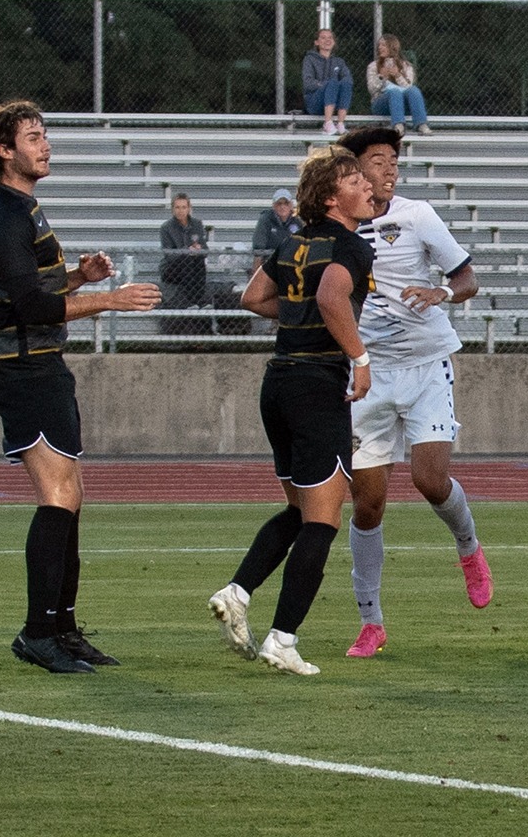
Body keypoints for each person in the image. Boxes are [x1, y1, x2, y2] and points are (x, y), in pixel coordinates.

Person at [0, 100, 162, 673]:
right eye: (32, 137)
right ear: (5, 152)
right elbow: (28, 304)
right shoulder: (5, 215)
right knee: (57, 494)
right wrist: (111, 299)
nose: (45, 144)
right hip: (22, 366)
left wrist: (82, 277)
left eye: (44, 134)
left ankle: (63, 627)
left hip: (42, 362)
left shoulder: (26, 211)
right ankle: (38, 633)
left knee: (71, 494)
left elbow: (30, 286)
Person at [210, 147, 376, 675]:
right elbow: (331, 297)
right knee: (323, 521)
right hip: (315, 385)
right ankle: (282, 639)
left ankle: (238, 591)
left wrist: (299, 312)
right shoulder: (349, 244)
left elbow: (254, 297)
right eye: (355, 178)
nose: (368, 184)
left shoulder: (292, 240)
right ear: (332, 196)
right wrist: (360, 357)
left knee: (300, 512)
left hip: (277, 382)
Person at [334, 126, 490, 659]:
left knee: (429, 479)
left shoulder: (418, 215)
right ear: (354, 173)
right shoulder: (338, 230)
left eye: (393, 160)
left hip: (426, 366)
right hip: (369, 374)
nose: (390, 168)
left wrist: (440, 290)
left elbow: (468, 278)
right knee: (367, 505)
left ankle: (468, 547)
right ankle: (371, 622)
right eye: (377, 161)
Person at [366, 34, 430, 134]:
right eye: (379, 45)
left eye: (384, 45)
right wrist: (382, 77)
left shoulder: (406, 65)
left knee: (414, 90)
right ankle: (398, 125)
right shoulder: (373, 66)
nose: (380, 47)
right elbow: (372, 90)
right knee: (394, 92)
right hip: (381, 103)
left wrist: (398, 75)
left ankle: (421, 124)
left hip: (403, 104)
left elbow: (408, 87)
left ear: (392, 47)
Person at [158, 193, 209, 311]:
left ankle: (199, 301)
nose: (180, 211)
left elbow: (205, 249)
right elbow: (169, 255)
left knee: (198, 260)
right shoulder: (166, 227)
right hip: (172, 269)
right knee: (188, 260)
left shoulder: (197, 224)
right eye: (177, 207)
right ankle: (191, 302)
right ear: (172, 209)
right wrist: (186, 250)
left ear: (189, 208)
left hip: (193, 265)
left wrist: (199, 249)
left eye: (184, 207)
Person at [303, 28, 354, 136]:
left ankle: (340, 124)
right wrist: (325, 86)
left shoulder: (339, 61)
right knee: (332, 83)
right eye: (323, 38)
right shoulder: (309, 59)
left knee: (346, 84)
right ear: (316, 42)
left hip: (333, 102)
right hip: (315, 102)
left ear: (334, 42)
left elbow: (348, 78)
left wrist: (336, 86)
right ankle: (328, 123)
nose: (327, 40)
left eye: (330, 38)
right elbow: (308, 83)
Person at [252, 189, 301, 271]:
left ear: (291, 205)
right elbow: (258, 249)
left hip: (293, 263)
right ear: (274, 205)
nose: (282, 207)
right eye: (279, 203)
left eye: (286, 203)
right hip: (270, 264)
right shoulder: (266, 220)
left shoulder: (298, 220)